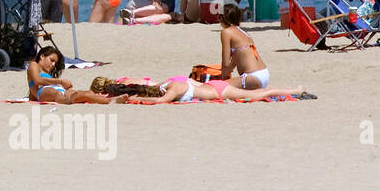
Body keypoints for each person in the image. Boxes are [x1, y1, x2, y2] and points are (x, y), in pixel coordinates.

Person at [88, 75, 312, 102]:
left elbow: (158, 101)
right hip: (210, 86)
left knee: (257, 94)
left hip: (219, 90)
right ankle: (293, 87)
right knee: (257, 91)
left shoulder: (171, 90)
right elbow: (146, 87)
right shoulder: (167, 85)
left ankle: (295, 89)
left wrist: (133, 100)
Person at [26, 45, 122, 104]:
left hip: (58, 90)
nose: (53, 65)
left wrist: (64, 86)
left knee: (87, 93)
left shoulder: (47, 74)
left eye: (55, 63)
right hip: (43, 92)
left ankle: (110, 101)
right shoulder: (34, 65)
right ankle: (67, 100)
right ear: (42, 56)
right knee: (57, 94)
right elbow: (37, 80)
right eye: (51, 60)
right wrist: (60, 81)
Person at [218, 4, 274, 89]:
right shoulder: (244, 33)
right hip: (264, 73)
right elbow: (235, 60)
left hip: (252, 77)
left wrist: (223, 79)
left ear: (222, 18)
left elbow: (225, 64)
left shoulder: (226, 32)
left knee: (219, 87)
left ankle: (294, 90)